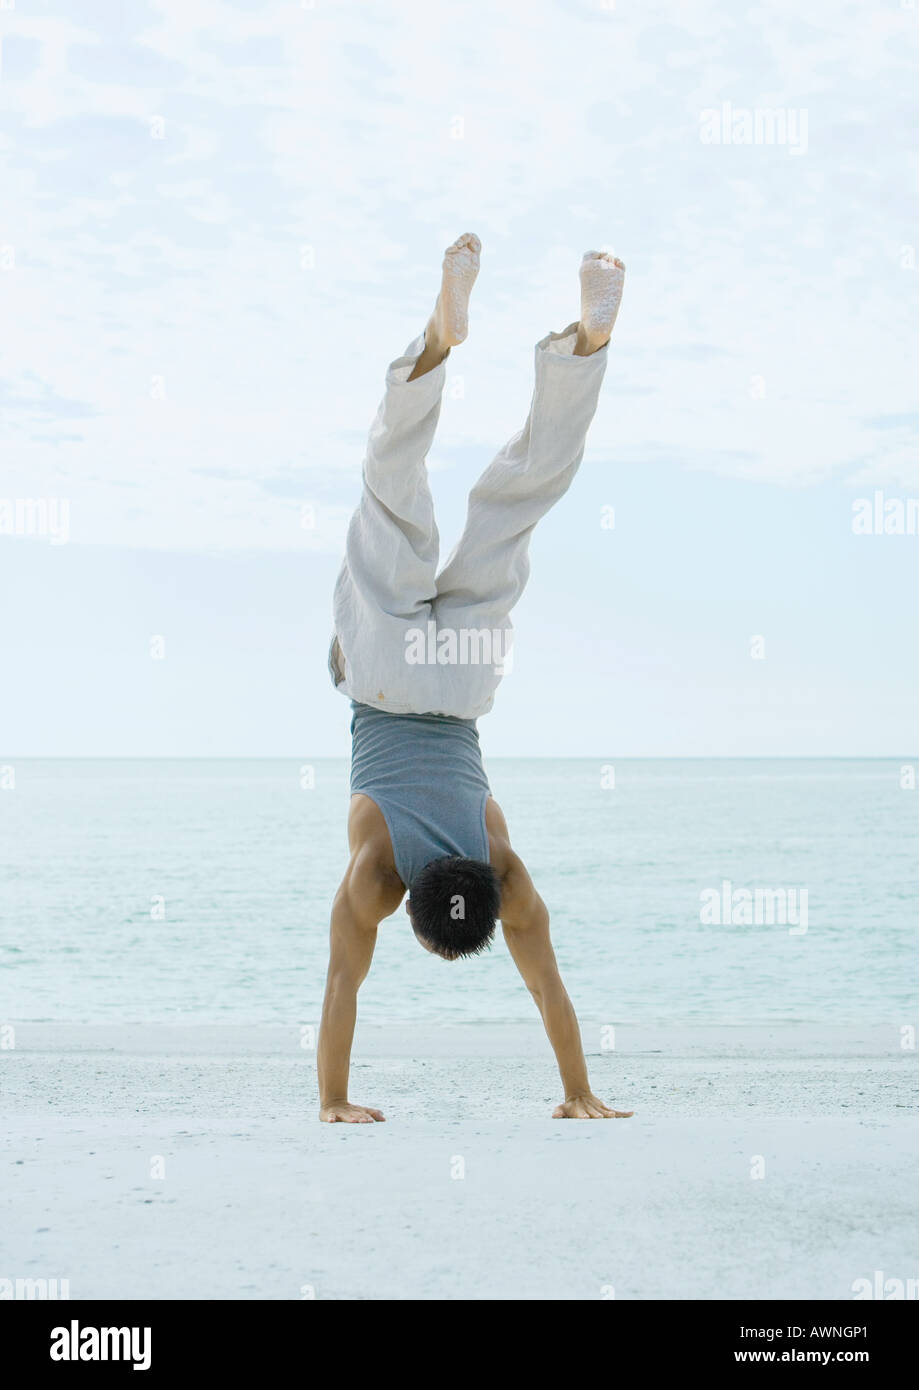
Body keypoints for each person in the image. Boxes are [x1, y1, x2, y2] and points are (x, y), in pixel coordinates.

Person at [318, 233, 633, 1123]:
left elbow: (548, 991)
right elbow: (343, 984)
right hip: (379, 674)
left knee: (513, 506)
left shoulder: (507, 867)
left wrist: (581, 1091)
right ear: (409, 904)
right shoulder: (374, 874)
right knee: (391, 495)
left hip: (461, 680)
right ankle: (436, 344)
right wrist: (333, 1102)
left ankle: (581, 344)